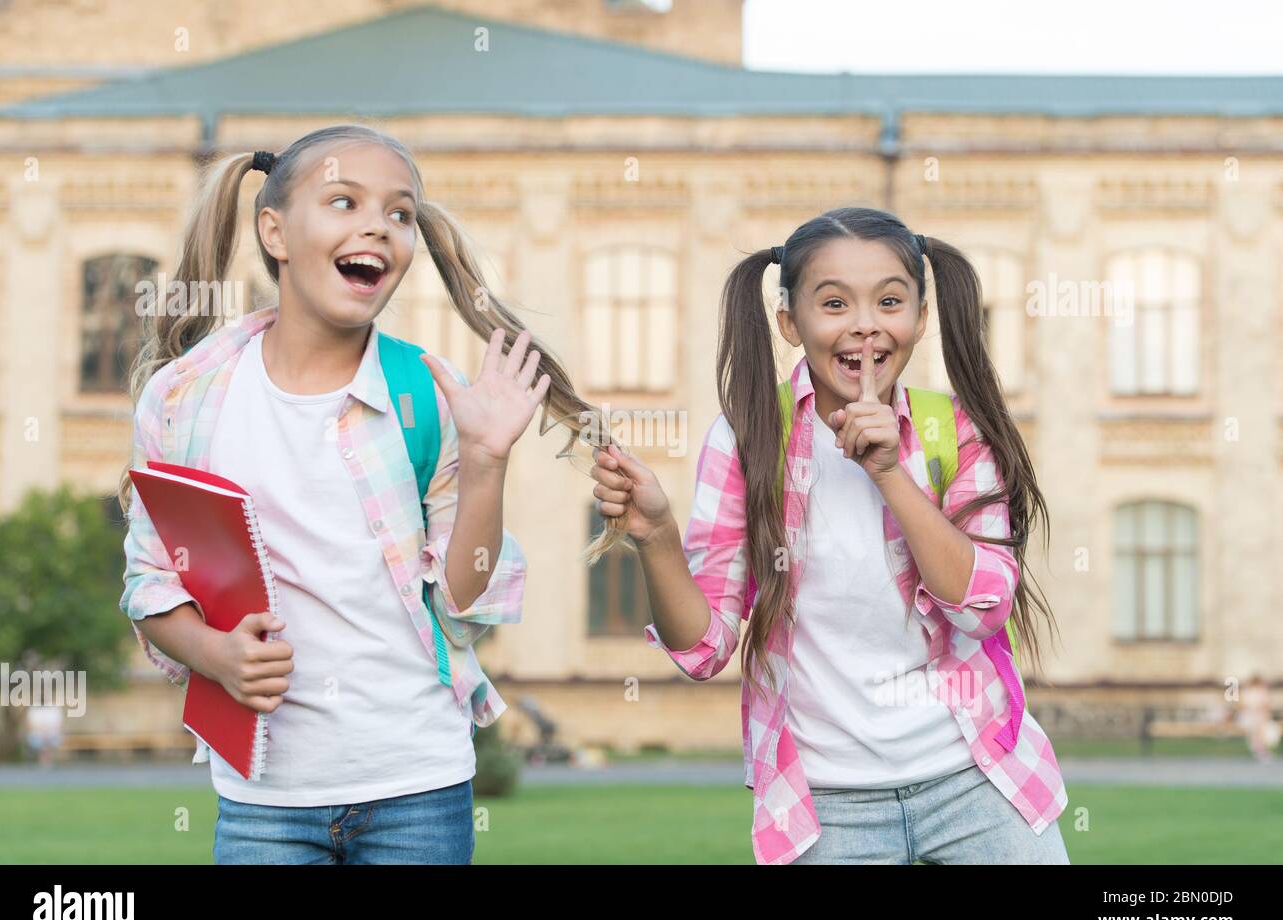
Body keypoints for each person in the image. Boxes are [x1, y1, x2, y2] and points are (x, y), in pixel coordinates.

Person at [118, 124, 604, 863]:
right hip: (264, 803)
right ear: (273, 230)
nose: (378, 225)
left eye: (401, 213)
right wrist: (214, 654)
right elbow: (149, 582)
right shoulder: (185, 399)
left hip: (418, 789)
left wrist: (485, 462)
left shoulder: (430, 395)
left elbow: (464, 602)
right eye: (344, 201)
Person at [591, 207, 1070, 864]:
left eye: (890, 300)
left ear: (920, 319)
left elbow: (984, 605)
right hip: (827, 800)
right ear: (791, 322)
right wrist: (657, 537)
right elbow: (703, 648)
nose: (865, 323)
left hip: (975, 777)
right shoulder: (748, 440)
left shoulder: (950, 432)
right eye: (835, 302)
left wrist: (889, 471)